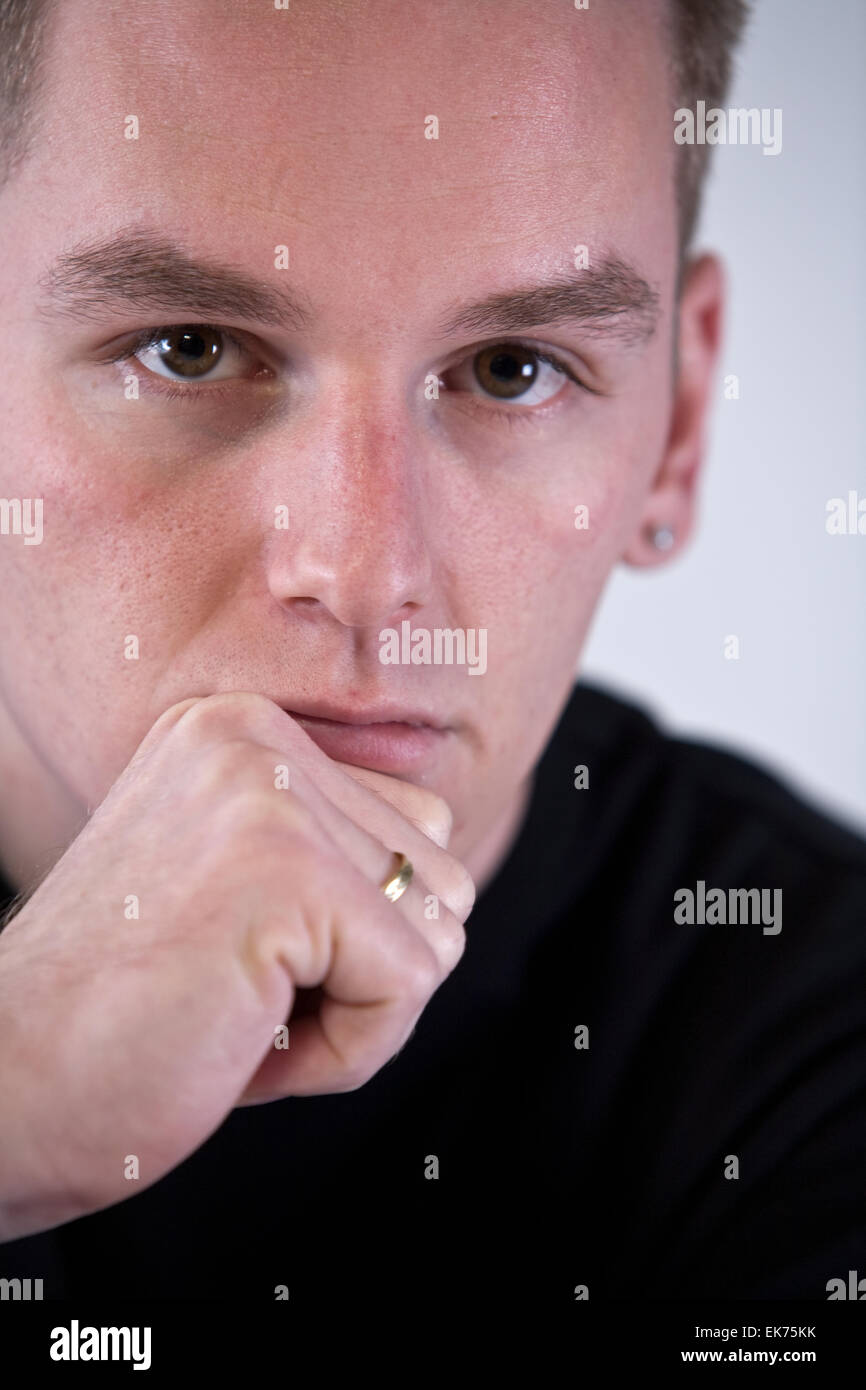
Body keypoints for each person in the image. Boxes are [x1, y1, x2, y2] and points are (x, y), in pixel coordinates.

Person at [0, 0, 863, 1308]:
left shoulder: (824, 1043)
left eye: (513, 368)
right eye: (189, 350)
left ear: (678, 424)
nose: (362, 573)